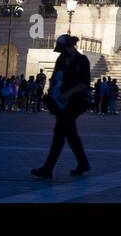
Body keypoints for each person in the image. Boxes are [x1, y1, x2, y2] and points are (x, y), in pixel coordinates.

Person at [31, 34, 91, 178]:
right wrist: (52, 90)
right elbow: (55, 77)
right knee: (70, 134)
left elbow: (85, 83)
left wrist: (69, 93)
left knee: (60, 132)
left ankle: (48, 168)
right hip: (60, 102)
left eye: (62, 49)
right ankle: (83, 163)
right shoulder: (61, 59)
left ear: (69, 47)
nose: (61, 52)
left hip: (76, 102)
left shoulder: (82, 60)